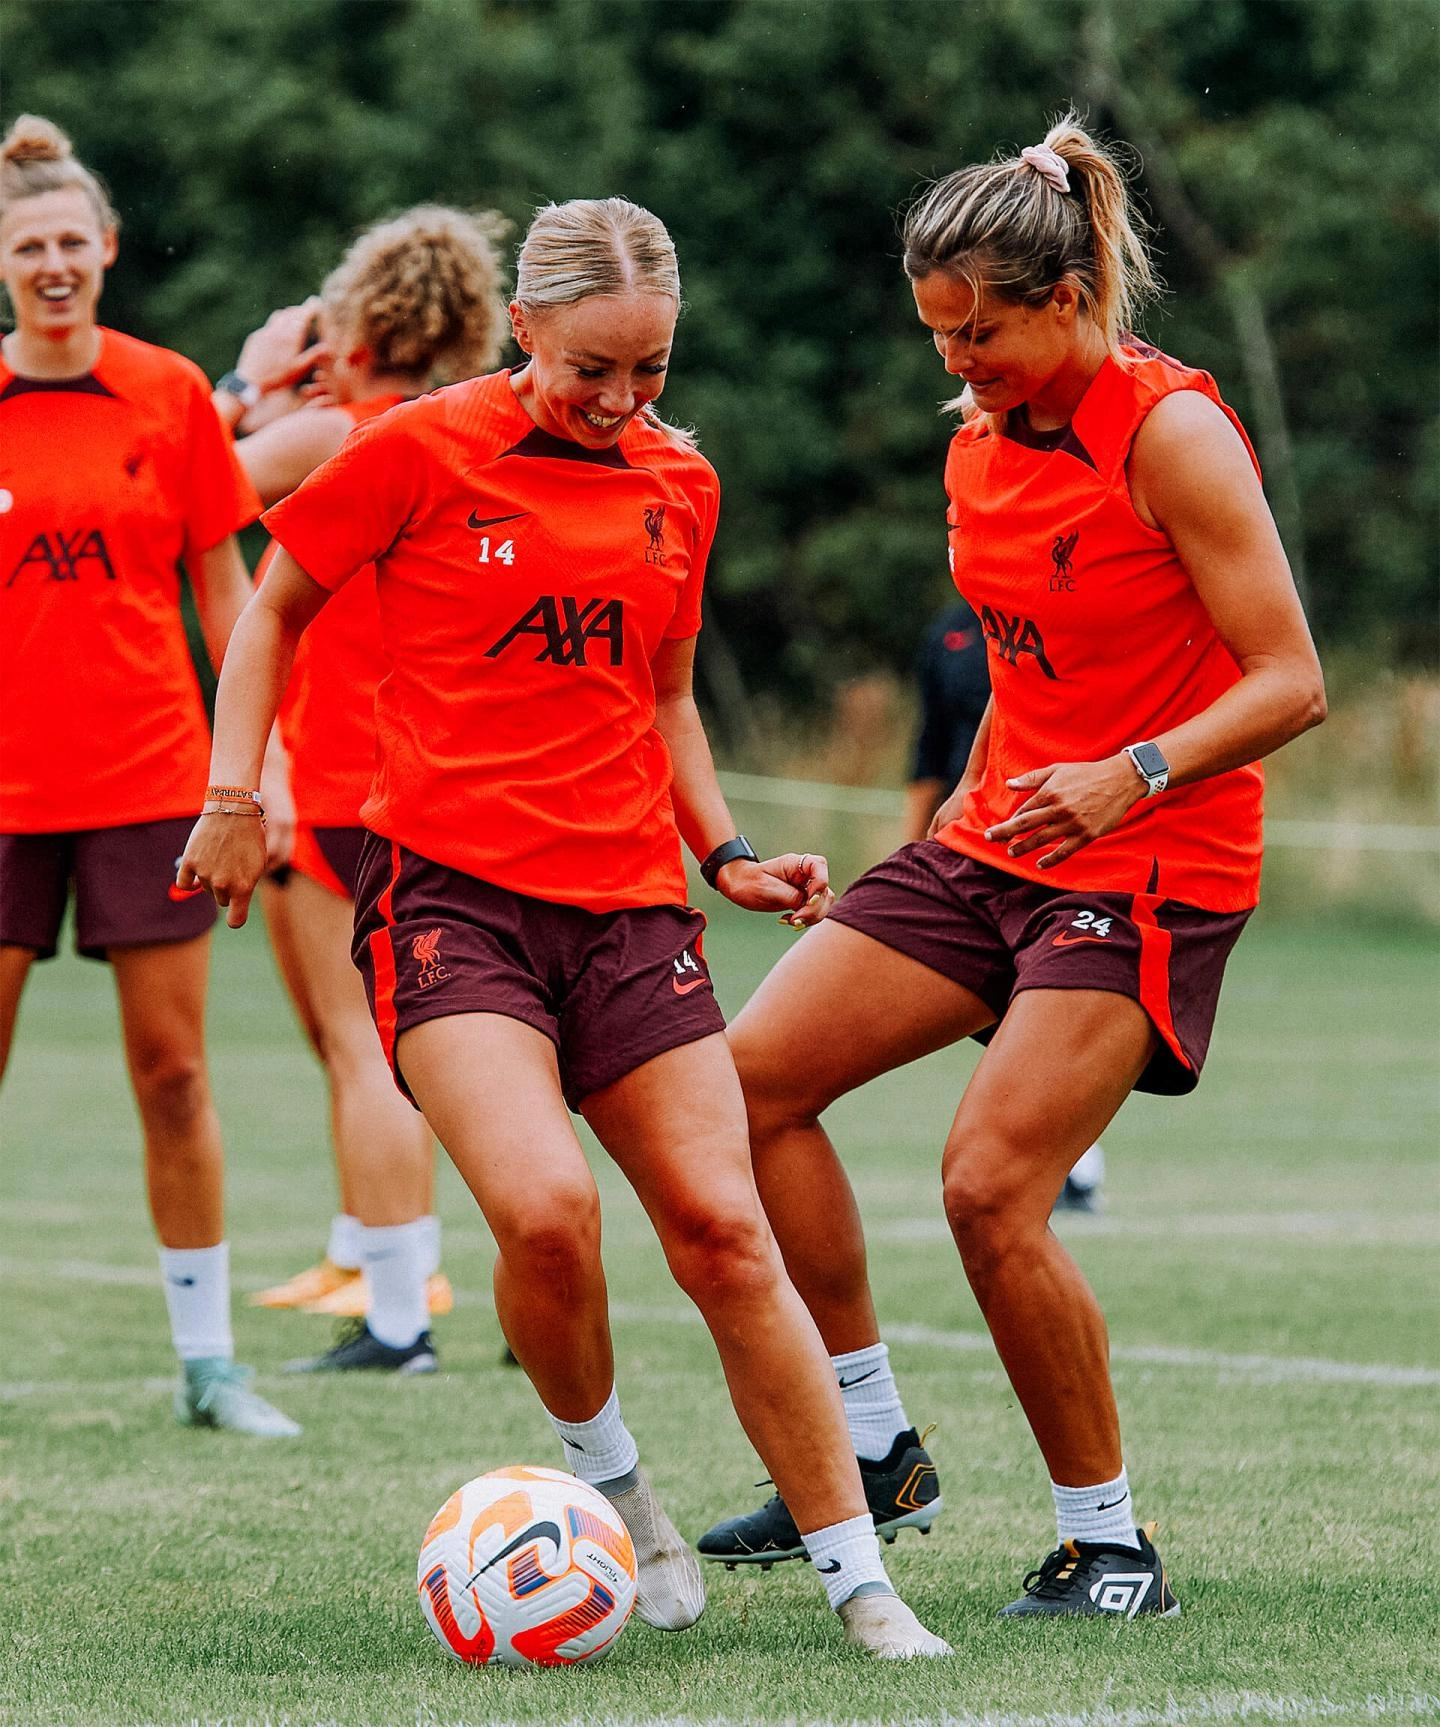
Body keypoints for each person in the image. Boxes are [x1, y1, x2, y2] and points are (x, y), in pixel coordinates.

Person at [178, 197, 949, 1658]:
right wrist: (237, 790)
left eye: (650, 367)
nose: (621, 399)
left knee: (725, 1228)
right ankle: (619, 1495)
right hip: (446, 895)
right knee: (544, 1208)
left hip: (628, 907)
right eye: (593, 365)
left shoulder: (681, 480)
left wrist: (720, 851)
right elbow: (272, 610)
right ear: (523, 327)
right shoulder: (410, 450)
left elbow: (663, 694)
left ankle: (861, 1578)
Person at [699, 117, 1325, 1616]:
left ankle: (1109, 1539)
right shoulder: (977, 440)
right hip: (997, 840)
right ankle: (868, 1447)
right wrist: (941, 835)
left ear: (1065, 300)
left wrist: (1135, 769)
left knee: (988, 1187)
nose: (956, 361)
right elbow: (1022, 660)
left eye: (978, 332)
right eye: (938, 334)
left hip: (1153, 853)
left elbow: (1292, 678)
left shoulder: (1171, 431)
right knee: (743, 1087)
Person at [0, 115, 299, 1438]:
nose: (54, 263)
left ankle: (209, 1363)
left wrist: (263, 763)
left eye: (73, 241)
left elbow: (229, 590)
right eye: (30, 247)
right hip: (5, 796)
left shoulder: (171, 393)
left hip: (147, 777)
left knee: (174, 1072)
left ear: (107, 251)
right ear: (5, 263)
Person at [211, 206, 511, 1373]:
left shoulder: (327, 431)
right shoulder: (456, 430)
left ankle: (396, 1314)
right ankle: (464, 1273)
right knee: (435, 1046)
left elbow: (183, 501)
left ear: (359, 317)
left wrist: (247, 382)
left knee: (358, 1048)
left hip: (336, 771)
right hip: (427, 765)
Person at [907, 598, 1105, 1213]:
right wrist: (912, 851)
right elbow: (928, 746)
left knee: (1048, 1003)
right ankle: (1051, 1157)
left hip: (1065, 830)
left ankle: (1074, 1163)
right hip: (973, 839)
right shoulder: (948, 632)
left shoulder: (1069, 602)